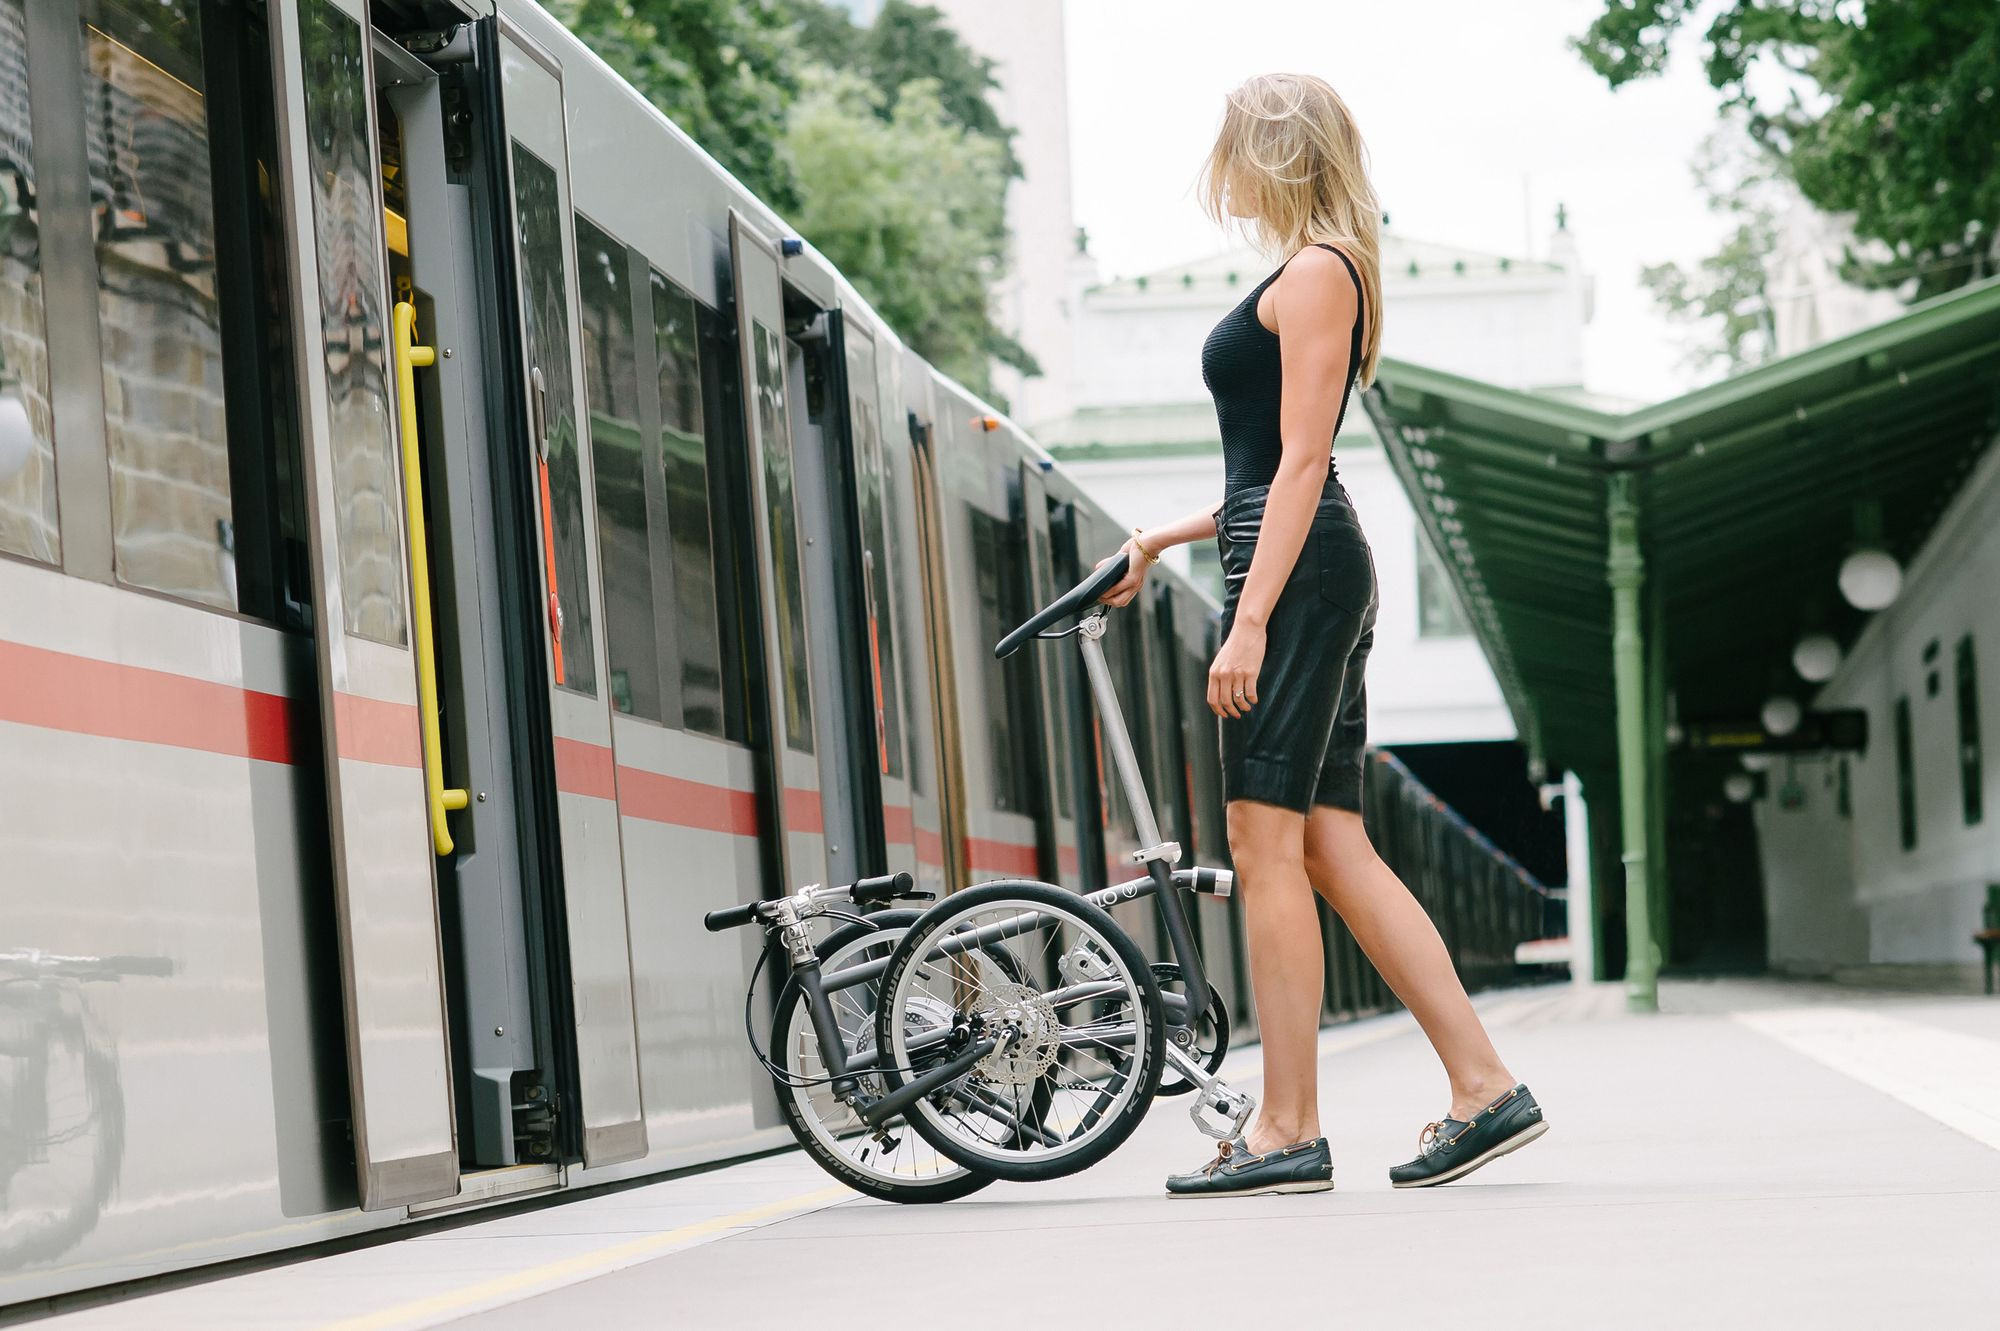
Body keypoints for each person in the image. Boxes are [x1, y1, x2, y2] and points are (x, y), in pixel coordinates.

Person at [1094, 72, 1547, 1199]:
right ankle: (1482, 1084)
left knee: (1264, 842)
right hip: (1296, 561)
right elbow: (1263, 475)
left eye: (1234, 151)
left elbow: (1303, 463)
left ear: (1272, 151)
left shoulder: (1314, 272)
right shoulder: (1320, 270)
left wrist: (1244, 619)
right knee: (1330, 844)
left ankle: (1286, 1125)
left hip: (1292, 579)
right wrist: (1161, 537)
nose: (1226, 175)